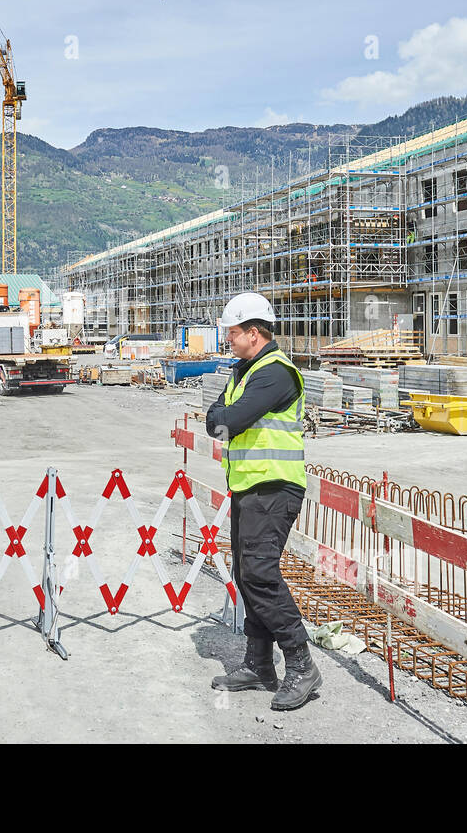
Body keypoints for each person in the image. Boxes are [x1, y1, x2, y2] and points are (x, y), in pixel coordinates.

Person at [205, 292, 322, 711]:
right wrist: (221, 420)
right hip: (249, 488)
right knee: (245, 572)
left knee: (259, 573)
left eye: (233, 334)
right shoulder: (244, 371)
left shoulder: (274, 374)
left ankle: (301, 663)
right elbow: (214, 420)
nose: (228, 341)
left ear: (254, 333)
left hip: (275, 488)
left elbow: (228, 419)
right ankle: (259, 664)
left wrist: (222, 420)